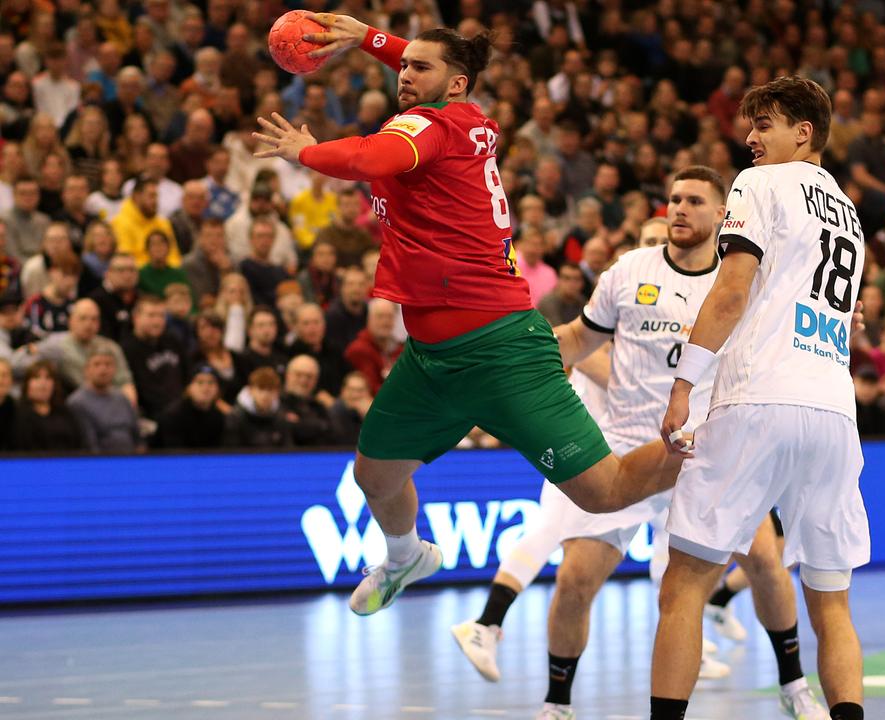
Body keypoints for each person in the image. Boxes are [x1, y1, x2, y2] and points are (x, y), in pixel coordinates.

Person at [265, 15, 691, 617]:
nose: (404, 75)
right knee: (375, 476)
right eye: (403, 65)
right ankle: (405, 557)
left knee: (605, 492)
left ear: (456, 83)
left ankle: (716, 447)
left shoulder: (431, 126)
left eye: (419, 68)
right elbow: (433, 71)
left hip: (502, 352)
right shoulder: (464, 118)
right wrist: (367, 39)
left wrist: (305, 151)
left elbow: (369, 157)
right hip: (431, 358)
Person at [452, 168, 824, 718]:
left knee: (766, 561)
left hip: (705, 451)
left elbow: (797, 328)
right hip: (626, 453)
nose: (679, 208)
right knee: (575, 579)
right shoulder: (628, 272)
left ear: (723, 215)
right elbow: (580, 339)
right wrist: (511, 361)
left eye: (694, 200)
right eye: (674, 199)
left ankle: (794, 687)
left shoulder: (744, 281)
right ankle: (557, 704)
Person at [655, 77, 867, 720]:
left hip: (759, 398)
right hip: (834, 409)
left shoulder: (760, 184)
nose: (749, 137)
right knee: (831, 601)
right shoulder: (851, 214)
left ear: (803, 133)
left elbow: (731, 292)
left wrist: (684, 384)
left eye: (764, 124)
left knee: (686, 580)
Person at [120, 294, 187, 420]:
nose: (157, 321)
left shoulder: (172, 341)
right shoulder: (126, 349)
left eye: (161, 316)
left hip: (183, 411)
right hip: (152, 417)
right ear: (136, 318)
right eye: (151, 315)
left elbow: (188, 375)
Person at [67, 347, 140, 453]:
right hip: (100, 460)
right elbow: (89, 445)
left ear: (115, 369)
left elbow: (137, 436)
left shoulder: (122, 398)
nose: (103, 369)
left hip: (132, 458)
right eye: (97, 364)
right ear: (86, 370)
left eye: (108, 364)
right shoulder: (77, 403)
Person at [10, 359, 82, 451]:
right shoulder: (18, 415)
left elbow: (79, 442)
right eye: (36, 377)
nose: (43, 382)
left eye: (48, 378)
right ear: (27, 384)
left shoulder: (65, 412)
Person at [342, 298, 403, 395]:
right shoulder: (359, 350)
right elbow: (372, 390)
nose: (385, 322)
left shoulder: (399, 349)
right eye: (380, 316)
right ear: (368, 319)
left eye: (390, 316)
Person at [156, 365, 226, 448]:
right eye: (200, 382)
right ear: (188, 387)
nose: (206, 388)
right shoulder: (173, 416)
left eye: (211, 383)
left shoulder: (218, 416)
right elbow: (173, 452)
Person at [223, 366, 293, 448]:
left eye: (270, 389)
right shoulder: (236, 417)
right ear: (250, 390)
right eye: (261, 388)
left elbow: (288, 449)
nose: (265, 395)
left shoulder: (281, 416)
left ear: (277, 392)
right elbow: (232, 451)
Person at [281, 354, 333, 446]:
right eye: (298, 374)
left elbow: (332, 431)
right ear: (287, 375)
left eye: (309, 376)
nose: (303, 380)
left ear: (316, 380)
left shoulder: (319, 406)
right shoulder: (276, 402)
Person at [328, 370, 372, 445]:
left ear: (368, 392)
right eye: (351, 390)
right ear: (343, 391)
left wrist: (369, 417)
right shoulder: (334, 413)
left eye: (360, 390)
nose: (355, 395)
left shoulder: (372, 413)